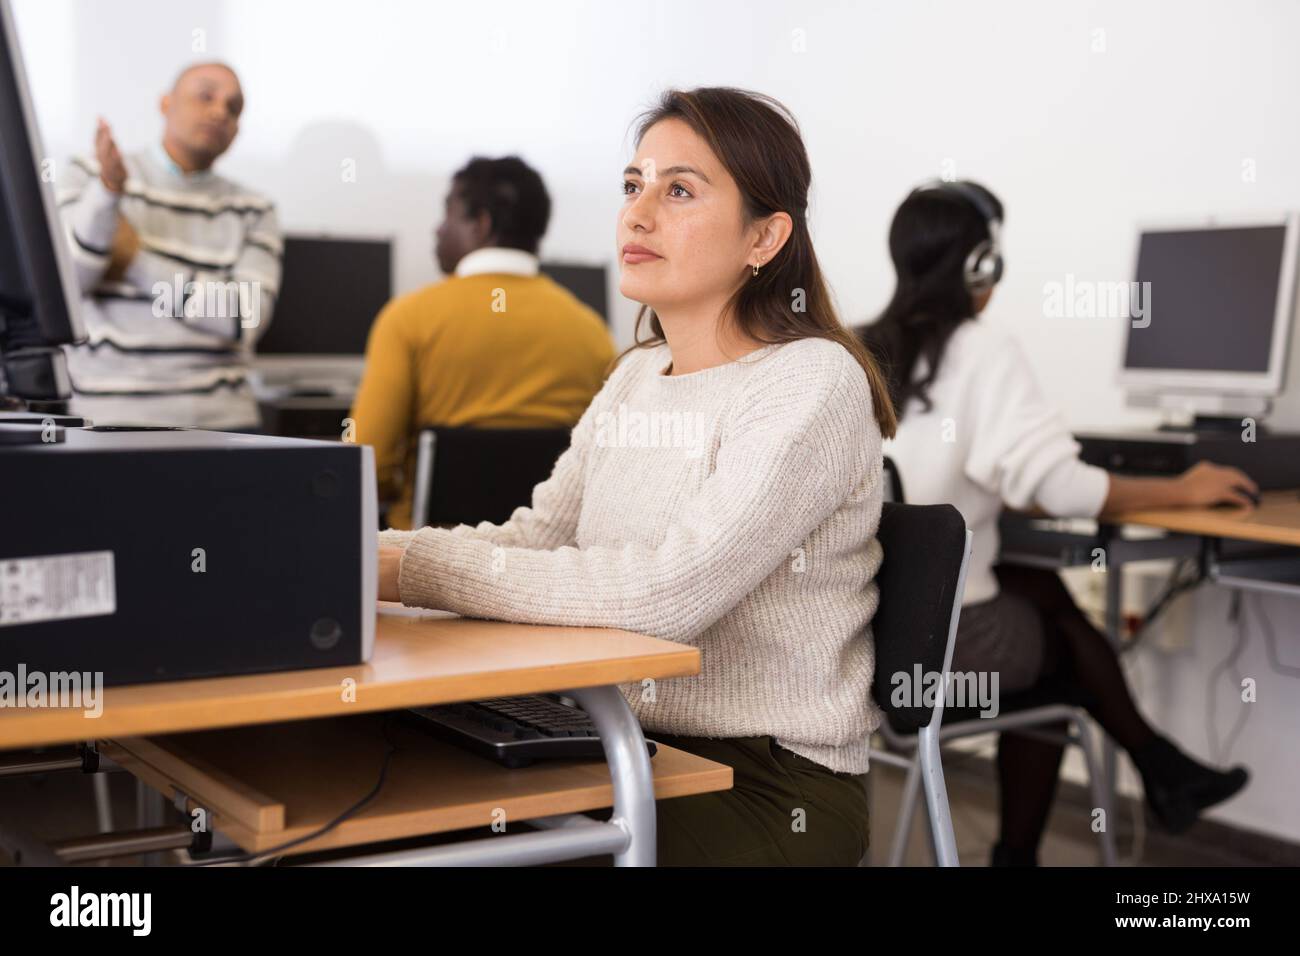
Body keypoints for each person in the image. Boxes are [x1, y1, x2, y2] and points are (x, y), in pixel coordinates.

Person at [375, 88, 898, 865]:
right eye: (632, 185)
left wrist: (408, 566)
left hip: (765, 780)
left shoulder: (810, 382)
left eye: (678, 190)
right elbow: (534, 537)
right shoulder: (636, 377)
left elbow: (665, 595)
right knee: (374, 801)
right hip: (610, 736)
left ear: (766, 236)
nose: (637, 214)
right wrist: (372, 561)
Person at [858, 180, 1251, 866]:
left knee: (1031, 585)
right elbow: (1058, 485)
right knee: (1069, 654)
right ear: (984, 265)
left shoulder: (855, 348)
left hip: (864, 640)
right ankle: (1127, 789)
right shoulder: (982, 348)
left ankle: (1165, 774)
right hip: (940, 653)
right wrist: (1180, 487)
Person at [349, 156, 614, 530]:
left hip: (424, 564)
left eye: (449, 214)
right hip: (541, 562)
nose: (438, 230)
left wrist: (404, 480)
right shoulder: (592, 331)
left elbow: (364, 465)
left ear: (482, 223)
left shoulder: (407, 319)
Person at [56, 62, 281, 429]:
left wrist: (134, 262)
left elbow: (243, 318)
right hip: (106, 422)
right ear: (165, 103)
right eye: (205, 96)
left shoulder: (254, 209)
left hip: (222, 428)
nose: (219, 111)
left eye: (233, 107)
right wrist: (107, 196)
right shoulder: (92, 175)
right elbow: (70, 283)